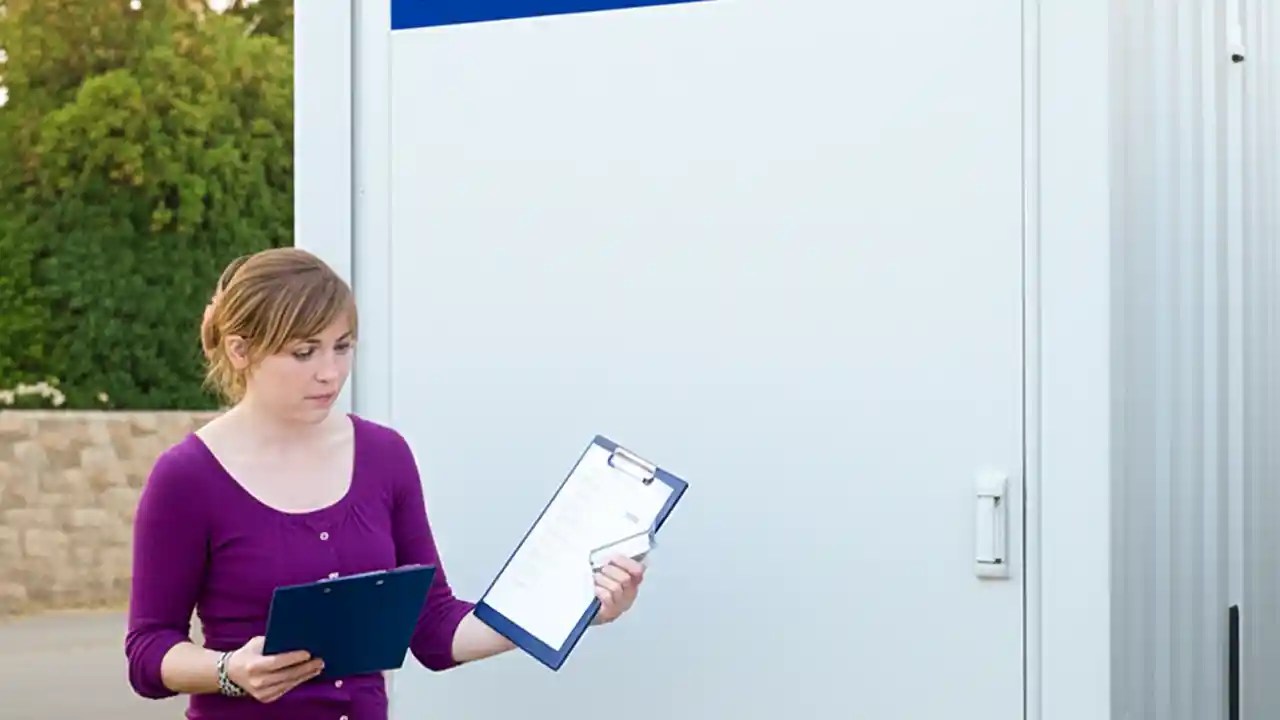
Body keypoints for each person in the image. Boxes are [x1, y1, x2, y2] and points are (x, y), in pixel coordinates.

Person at [125, 247, 647, 718]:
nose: (330, 372)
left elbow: (436, 630)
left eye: (342, 347)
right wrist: (229, 671)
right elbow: (149, 651)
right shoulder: (187, 477)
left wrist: (574, 608)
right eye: (304, 353)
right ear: (241, 351)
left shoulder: (384, 456)